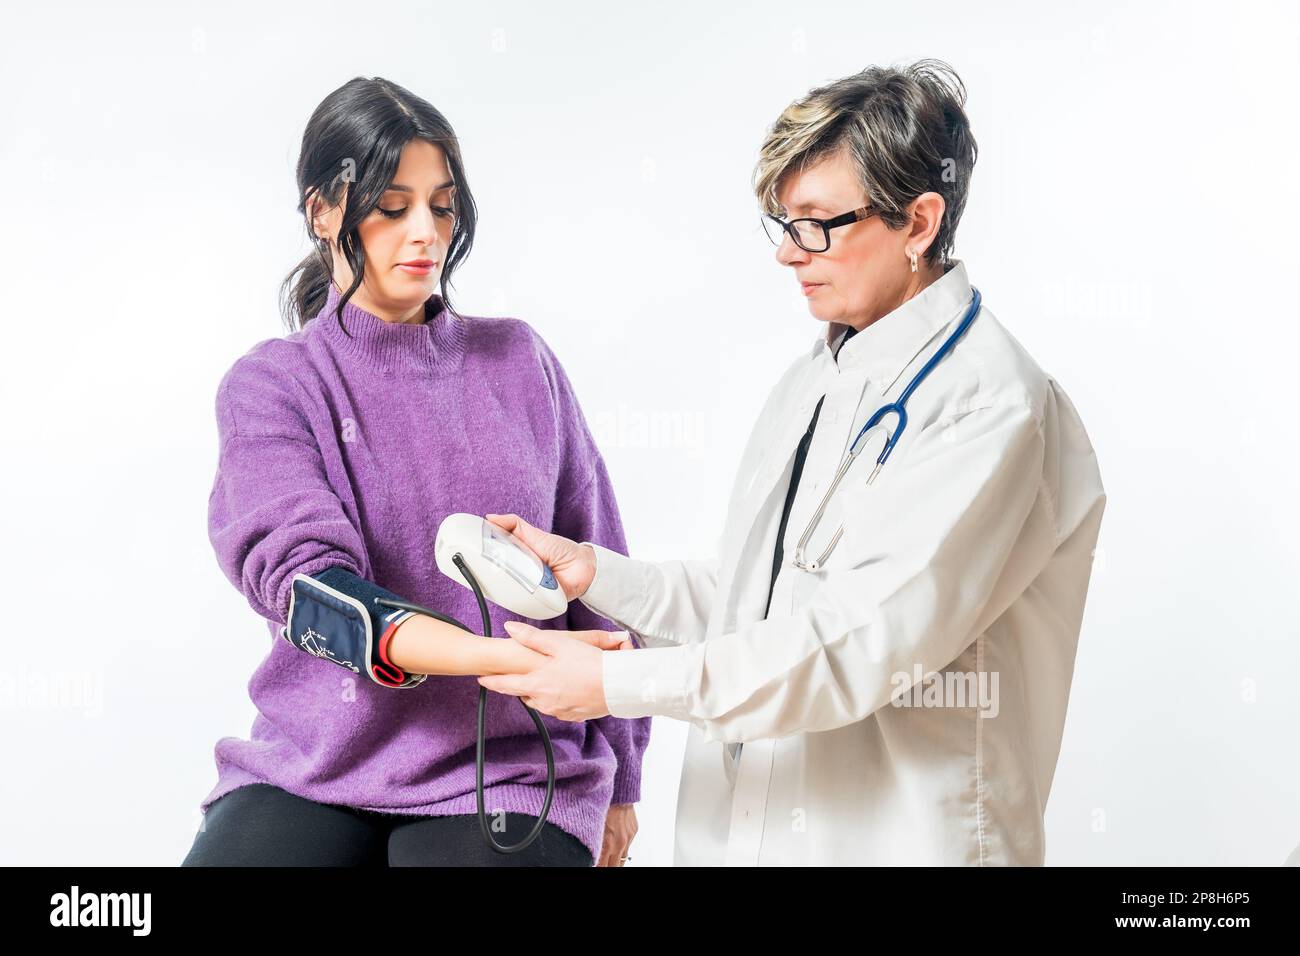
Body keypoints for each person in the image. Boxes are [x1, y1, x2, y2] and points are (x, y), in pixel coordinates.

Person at [478, 60, 1107, 865]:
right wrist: (593, 574)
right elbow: (763, 596)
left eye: (816, 223)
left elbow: (852, 644)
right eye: (784, 223)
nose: (788, 253)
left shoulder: (993, 406)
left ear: (919, 222)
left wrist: (615, 686)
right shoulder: (818, 374)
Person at [183, 76, 646, 867]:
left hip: (510, 771)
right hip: (315, 768)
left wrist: (625, 781)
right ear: (322, 211)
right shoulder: (273, 385)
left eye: (441, 205)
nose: (424, 232)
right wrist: (505, 657)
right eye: (392, 207)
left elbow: (601, 565)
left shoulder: (517, 359)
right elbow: (320, 597)